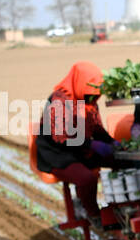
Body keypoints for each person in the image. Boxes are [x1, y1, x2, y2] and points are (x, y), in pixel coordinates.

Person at [34, 62, 120, 221]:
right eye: (90, 96)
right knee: (86, 178)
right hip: (57, 154)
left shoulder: (88, 102)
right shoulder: (58, 102)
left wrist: (114, 143)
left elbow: (97, 129)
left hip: (81, 149)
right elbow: (62, 139)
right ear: (80, 84)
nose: (93, 100)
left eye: (95, 96)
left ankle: (122, 205)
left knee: (122, 161)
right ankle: (93, 214)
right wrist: (93, 145)